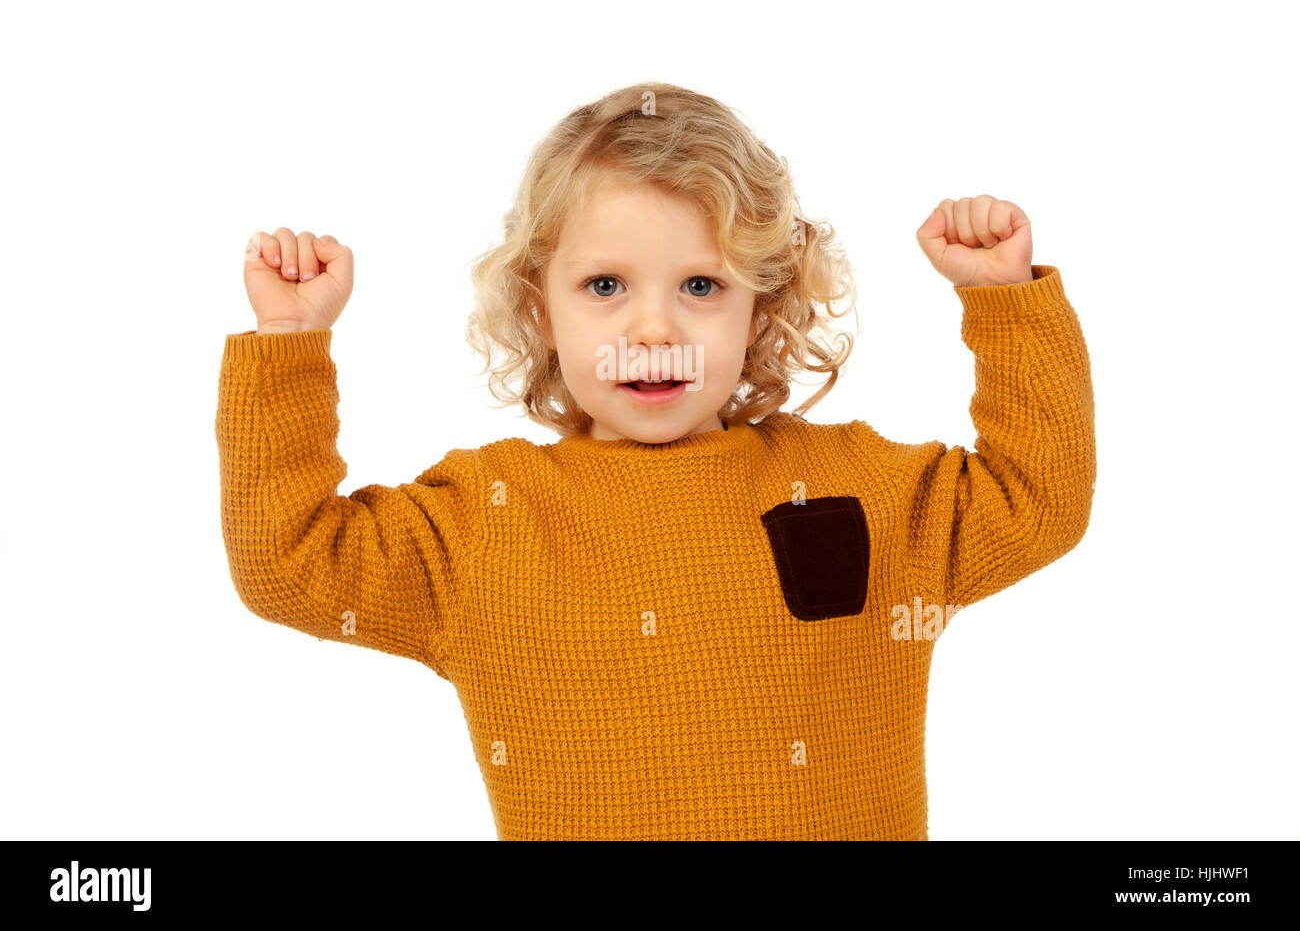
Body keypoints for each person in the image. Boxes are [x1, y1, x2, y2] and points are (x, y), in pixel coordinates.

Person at [216, 81, 1096, 840]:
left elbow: (1038, 497)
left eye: (701, 286)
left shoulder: (859, 489)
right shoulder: (484, 519)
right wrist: (290, 343)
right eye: (605, 286)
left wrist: (1006, 304)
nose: (654, 330)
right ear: (540, 305)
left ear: (760, 306)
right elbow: (290, 563)